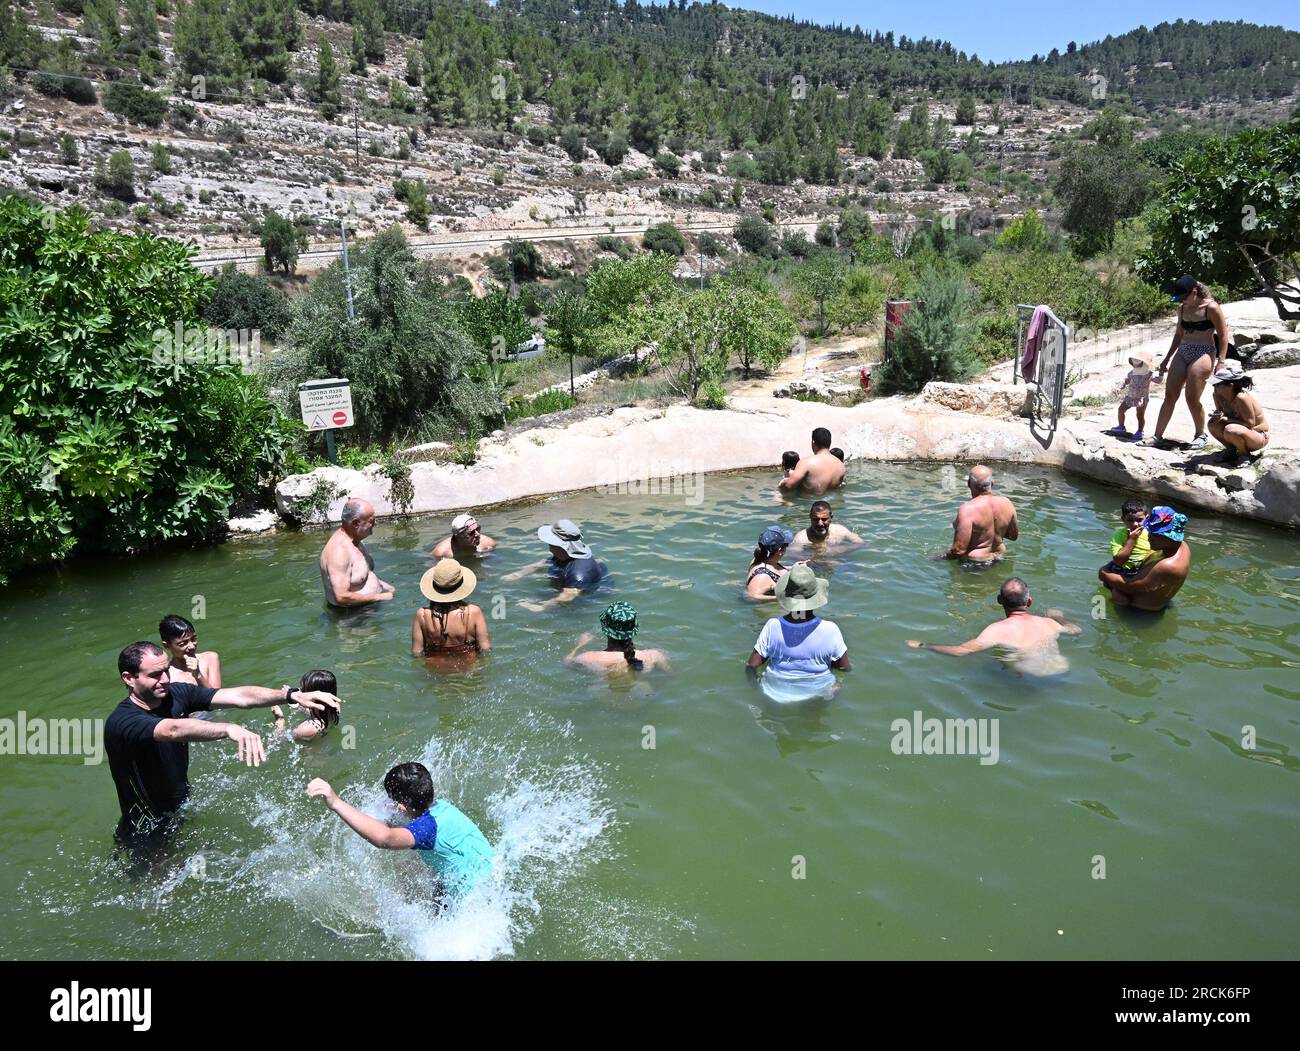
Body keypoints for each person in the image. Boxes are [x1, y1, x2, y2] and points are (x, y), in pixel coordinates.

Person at [106, 642, 341, 844]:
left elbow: (238, 696)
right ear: (128, 678)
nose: (165, 679)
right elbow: (172, 729)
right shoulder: (123, 721)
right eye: (154, 675)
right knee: (153, 884)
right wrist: (228, 728)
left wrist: (291, 695)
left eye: (166, 670)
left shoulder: (176, 694)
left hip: (180, 805)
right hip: (146, 823)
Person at [306, 762, 493, 901]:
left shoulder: (427, 828)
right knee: (409, 866)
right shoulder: (442, 808)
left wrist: (336, 803)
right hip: (487, 876)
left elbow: (386, 839)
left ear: (402, 807)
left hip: (468, 900)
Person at [906, 578, 1081, 676]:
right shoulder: (1048, 623)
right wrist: (1057, 617)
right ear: (1029, 601)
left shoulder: (996, 630)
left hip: (1030, 676)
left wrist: (923, 645)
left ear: (999, 601)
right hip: (1061, 670)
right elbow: (1076, 630)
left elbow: (962, 651)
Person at [1143, 275, 1231, 450]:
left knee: (1191, 398)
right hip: (1184, 350)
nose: (1182, 301)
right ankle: (1157, 435)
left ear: (1194, 292)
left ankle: (1200, 435)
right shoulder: (1183, 308)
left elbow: (1223, 334)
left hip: (1204, 351)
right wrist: (1167, 358)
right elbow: (1178, 334)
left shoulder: (1211, 307)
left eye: (1184, 297)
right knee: (1170, 396)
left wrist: (1221, 361)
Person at [746, 564, 850, 703]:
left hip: (775, 693)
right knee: (837, 686)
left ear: (787, 596)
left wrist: (756, 686)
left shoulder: (772, 626)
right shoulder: (830, 630)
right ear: (815, 596)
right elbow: (844, 668)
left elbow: (752, 665)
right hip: (818, 693)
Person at [1098, 506, 1191, 611]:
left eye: (1153, 535)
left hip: (1140, 610)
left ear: (1168, 538)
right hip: (1156, 597)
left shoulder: (1169, 566)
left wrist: (1104, 573)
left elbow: (1132, 587)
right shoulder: (1181, 545)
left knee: (1118, 595)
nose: (1148, 537)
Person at [505, 519, 607, 611]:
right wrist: (518, 574)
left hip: (582, 600)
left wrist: (541, 606)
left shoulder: (578, 574)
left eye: (550, 543)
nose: (549, 546)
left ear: (560, 546)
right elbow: (542, 563)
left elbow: (569, 595)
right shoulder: (564, 555)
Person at [319, 498, 395, 607]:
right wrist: (379, 597)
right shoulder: (339, 552)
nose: (374, 524)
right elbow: (341, 597)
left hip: (367, 609)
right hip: (352, 617)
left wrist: (382, 585)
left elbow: (359, 576)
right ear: (355, 523)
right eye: (371, 521)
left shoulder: (355, 541)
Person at [411, 558, 491, 658]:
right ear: (461, 585)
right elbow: (485, 649)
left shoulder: (422, 615)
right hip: (468, 668)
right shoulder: (473, 612)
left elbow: (417, 652)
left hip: (434, 670)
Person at [566, 602, 670, 675]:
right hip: (642, 696)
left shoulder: (588, 658)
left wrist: (579, 644)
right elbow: (670, 676)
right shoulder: (653, 655)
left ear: (605, 628)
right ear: (634, 628)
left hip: (603, 698)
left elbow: (567, 663)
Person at [944, 464, 1018, 564]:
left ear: (969, 483)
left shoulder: (967, 510)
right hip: (1000, 558)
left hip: (976, 563)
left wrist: (940, 559)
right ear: (992, 483)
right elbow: (1013, 536)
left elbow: (958, 550)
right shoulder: (1007, 503)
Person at [1207, 362, 1269, 465]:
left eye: (1218, 384)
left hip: (1257, 435)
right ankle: (1231, 450)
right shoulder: (1217, 395)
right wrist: (1217, 416)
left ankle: (1243, 454)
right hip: (1238, 431)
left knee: (1230, 429)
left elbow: (1250, 424)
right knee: (1213, 424)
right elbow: (1221, 414)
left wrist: (1225, 419)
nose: (1214, 387)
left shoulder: (1241, 397)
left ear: (1230, 386)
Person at [272, 670, 342, 742]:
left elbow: (279, 740)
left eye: (302, 690)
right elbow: (314, 711)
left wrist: (279, 718)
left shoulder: (306, 729)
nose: (299, 691)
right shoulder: (335, 706)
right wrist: (295, 701)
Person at [158, 614, 222, 688]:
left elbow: (218, 696)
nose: (192, 646)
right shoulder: (168, 676)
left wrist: (198, 675)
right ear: (166, 645)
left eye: (193, 639)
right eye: (183, 643)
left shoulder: (210, 658)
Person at [1103, 499, 1161, 580]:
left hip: (1143, 570)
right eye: (1130, 520)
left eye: (1139, 520)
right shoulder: (1120, 534)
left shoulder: (1151, 533)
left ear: (1147, 518)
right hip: (1123, 570)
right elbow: (1118, 561)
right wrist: (1132, 539)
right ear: (1123, 519)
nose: (1135, 524)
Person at [1104, 351, 1156, 441]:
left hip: (1141, 398)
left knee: (1140, 415)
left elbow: (1159, 380)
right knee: (1121, 410)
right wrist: (1119, 388)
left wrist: (1162, 372)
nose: (1135, 362)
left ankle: (1140, 431)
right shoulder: (1132, 372)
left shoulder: (1149, 374)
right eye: (1135, 360)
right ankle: (1121, 427)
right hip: (1130, 397)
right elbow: (1126, 381)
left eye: (1138, 361)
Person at [778, 427, 846, 495]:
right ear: (829, 442)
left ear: (813, 442)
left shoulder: (806, 462)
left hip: (808, 503)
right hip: (830, 504)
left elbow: (788, 485)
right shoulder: (840, 465)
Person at [791, 500, 863, 550]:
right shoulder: (801, 538)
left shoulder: (840, 530)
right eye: (816, 519)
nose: (820, 523)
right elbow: (795, 556)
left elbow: (860, 544)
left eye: (824, 519)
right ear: (810, 517)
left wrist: (839, 550)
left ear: (831, 518)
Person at [746, 525, 794, 600]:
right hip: (770, 610)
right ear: (780, 551)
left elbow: (774, 568)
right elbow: (751, 596)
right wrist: (779, 598)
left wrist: (794, 567)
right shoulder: (763, 576)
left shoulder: (759, 559)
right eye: (786, 545)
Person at [430, 513, 496, 559]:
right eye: (471, 532)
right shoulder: (441, 552)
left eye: (478, 529)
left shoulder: (488, 544)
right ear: (458, 536)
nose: (478, 535)